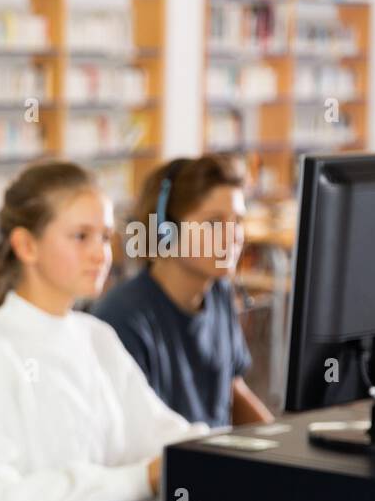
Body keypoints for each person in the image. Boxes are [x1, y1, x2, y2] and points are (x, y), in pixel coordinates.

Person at [0, 161, 207, 501]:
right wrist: (138, 480)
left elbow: (157, 432)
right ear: (27, 246)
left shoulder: (96, 336)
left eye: (105, 236)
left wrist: (217, 450)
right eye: (81, 237)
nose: (101, 254)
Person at [93, 155, 275, 428]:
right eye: (213, 223)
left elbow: (233, 389)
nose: (233, 236)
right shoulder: (124, 318)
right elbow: (133, 435)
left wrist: (281, 442)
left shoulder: (219, 292)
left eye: (237, 220)